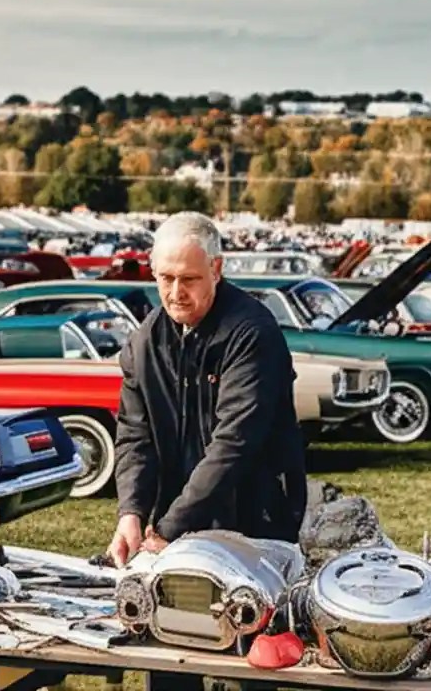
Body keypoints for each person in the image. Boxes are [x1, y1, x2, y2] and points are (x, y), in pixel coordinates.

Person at [108, 212, 307, 568]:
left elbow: (235, 443)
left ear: (216, 269)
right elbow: (135, 437)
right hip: (177, 521)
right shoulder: (144, 343)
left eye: (189, 279)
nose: (175, 293)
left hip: (254, 520)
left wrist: (171, 527)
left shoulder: (252, 334)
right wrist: (132, 512)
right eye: (165, 278)